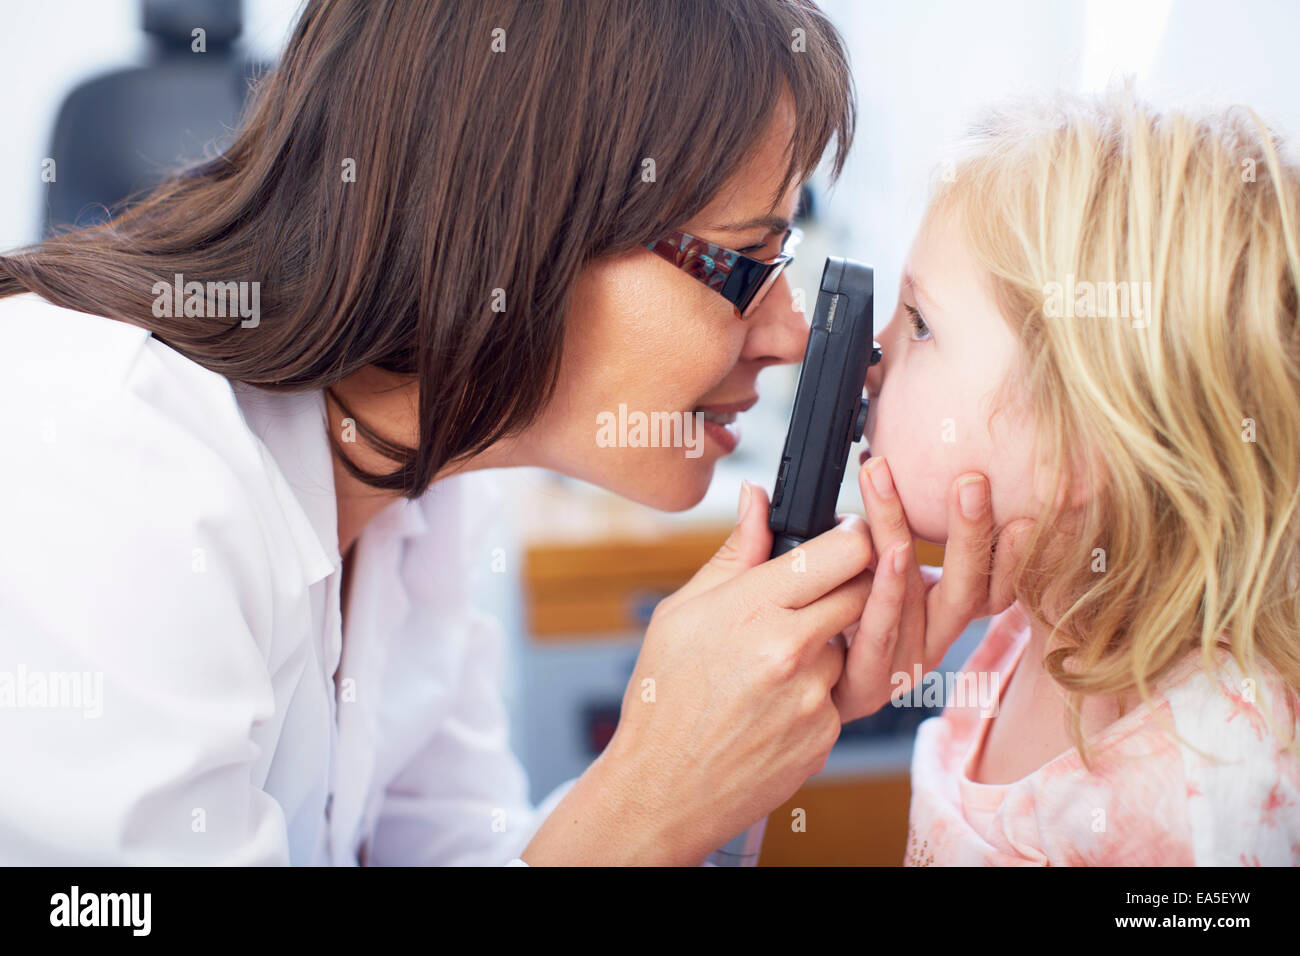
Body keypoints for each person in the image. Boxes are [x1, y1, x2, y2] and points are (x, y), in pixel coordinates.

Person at [0, 0, 1023, 866]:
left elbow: (475, 854)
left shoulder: (431, 480)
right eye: (741, 260)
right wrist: (643, 802)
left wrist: (721, 761)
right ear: (513, 224)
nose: (795, 336)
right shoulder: (104, 463)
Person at [861, 88, 1300, 865]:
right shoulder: (1026, 625)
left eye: (921, 322)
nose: (871, 352)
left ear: (1076, 447)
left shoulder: (1213, 782)